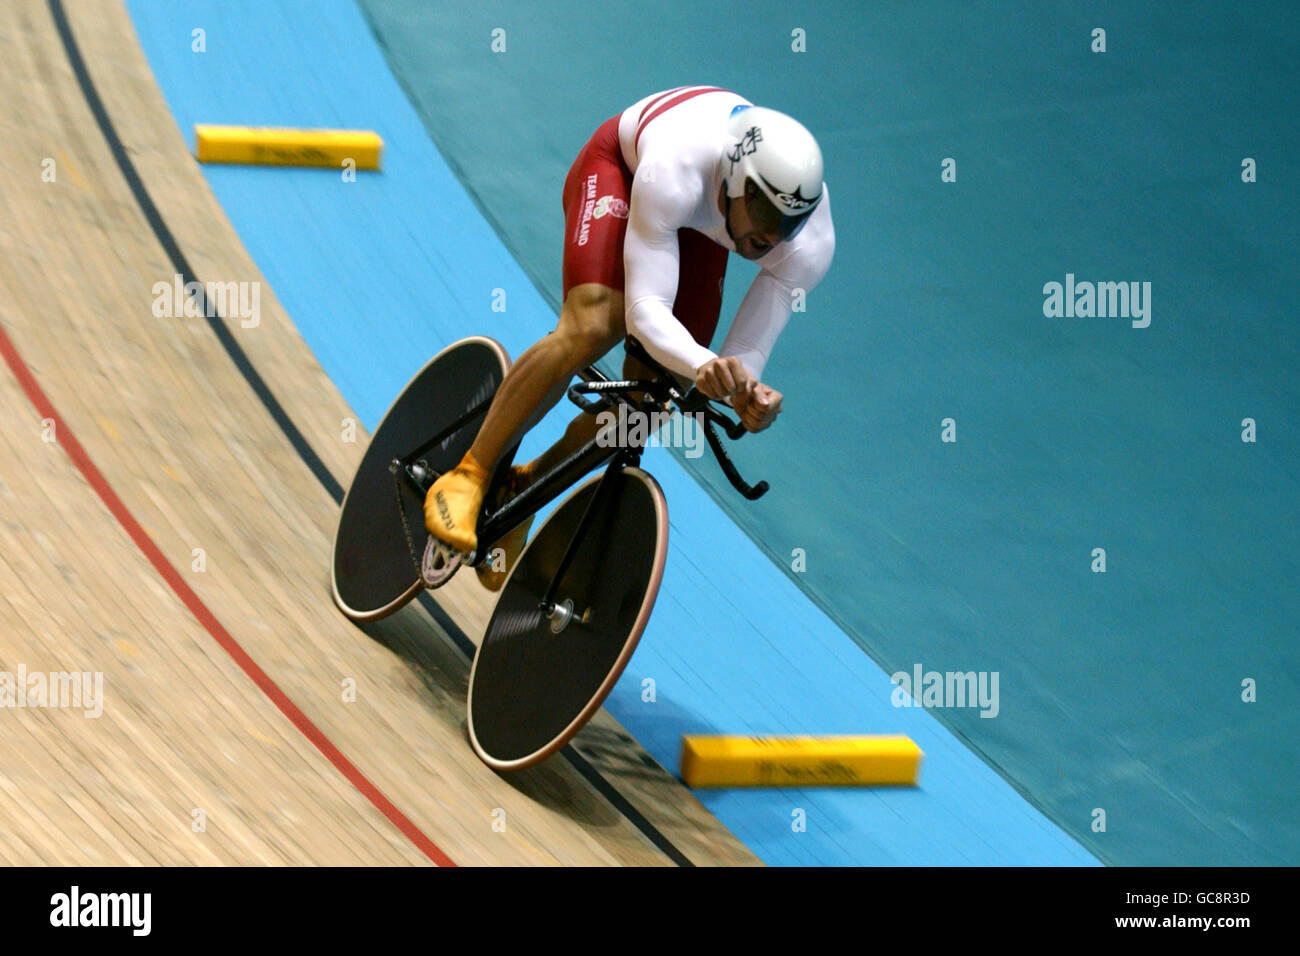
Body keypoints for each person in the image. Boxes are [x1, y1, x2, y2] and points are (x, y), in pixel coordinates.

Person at [425, 86, 835, 590]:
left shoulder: (809, 244)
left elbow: (745, 353)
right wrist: (703, 364)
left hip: (702, 224)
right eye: (766, 217)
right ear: (736, 180)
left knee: (652, 403)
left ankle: (522, 489)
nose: (770, 238)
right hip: (624, 171)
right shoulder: (677, 165)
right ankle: (469, 473)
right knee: (596, 322)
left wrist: (747, 391)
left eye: (786, 224)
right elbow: (645, 313)